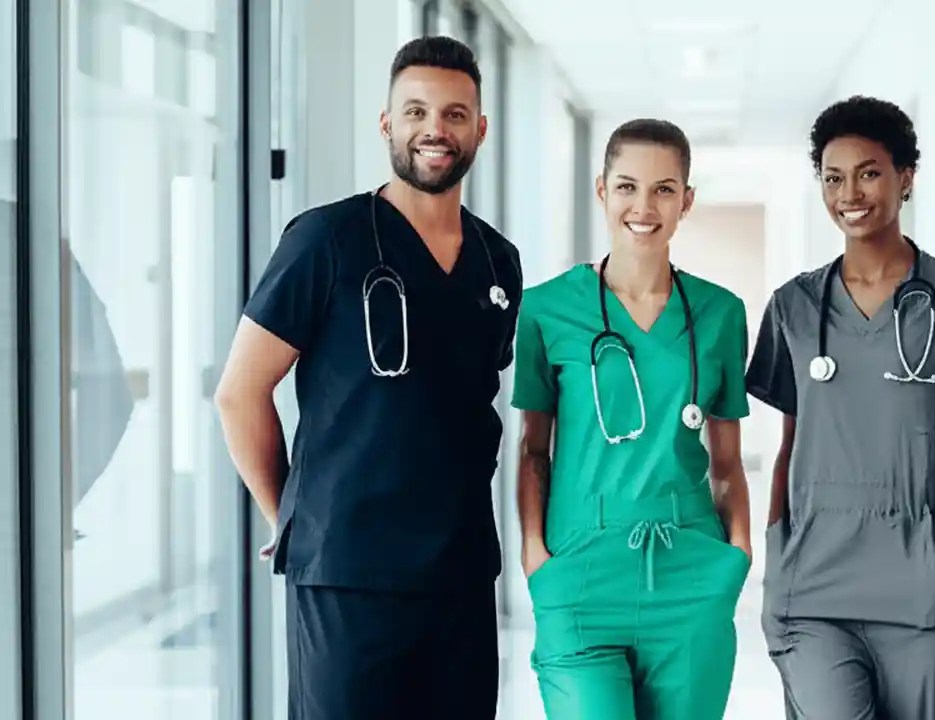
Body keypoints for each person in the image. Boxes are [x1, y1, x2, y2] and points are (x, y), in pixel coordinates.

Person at [214, 36, 521, 719]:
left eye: (453, 114)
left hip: (460, 577)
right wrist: (291, 518)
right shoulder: (325, 241)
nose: (434, 130)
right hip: (347, 577)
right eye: (415, 112)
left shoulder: (498, 264)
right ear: (387, 124)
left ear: (480, 128)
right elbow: (239, 392)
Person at [746, 96, 935, 719]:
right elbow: (791, 443)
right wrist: (778, 549)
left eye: (867, 172)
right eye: (832, 178)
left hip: (920, 580)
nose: (849, 193)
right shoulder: (794, 307)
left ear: (905, 177)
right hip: (812, 584)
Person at [513, 118, 753, 720]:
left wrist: (738, 556)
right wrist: (535, 554)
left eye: (664, 189)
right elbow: (531, 450)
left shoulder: (721, 314)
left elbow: (726, 462)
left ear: (686, 201)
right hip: (578, 570)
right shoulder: (546, 310)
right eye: (627, 187)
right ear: (602, 190)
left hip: (689, 575)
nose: (643, 207)